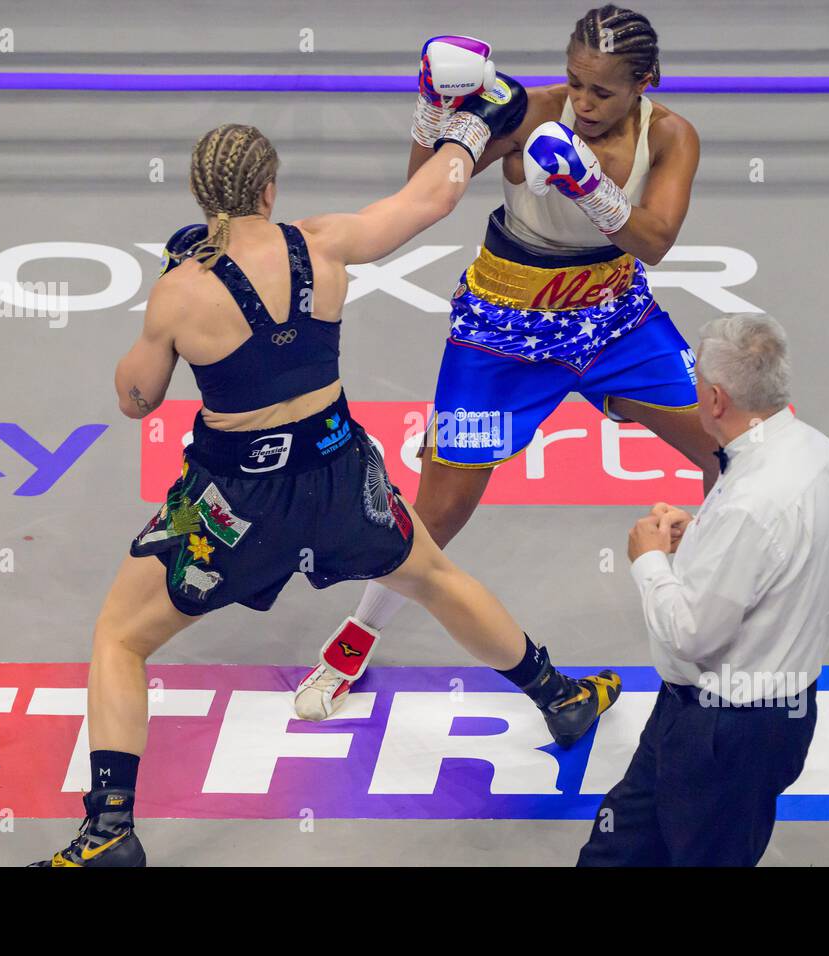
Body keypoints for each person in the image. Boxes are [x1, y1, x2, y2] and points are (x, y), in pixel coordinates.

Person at [31, 78, 622, 867]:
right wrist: (472, 128)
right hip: (343, 477)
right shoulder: (326, 243)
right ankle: (561, 697)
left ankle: (109, 832)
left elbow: (137, 398)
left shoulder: (181, 290)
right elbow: (428, 201)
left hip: (232, 506)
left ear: (202, 195)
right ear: (269, 189)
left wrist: (165, 297)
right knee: (435, 577)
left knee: (119, 639)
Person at [296, 7, 723, 721]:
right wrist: (435, 110)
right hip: (504, 331)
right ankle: (356, 636)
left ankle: (722, 614)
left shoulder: (673, 135)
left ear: (646, 82)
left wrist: (592, 187)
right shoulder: (523, 112)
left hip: (617, 319)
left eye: (604, 92)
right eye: (576, 82)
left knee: (729, 452)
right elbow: (420, 192)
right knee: (437, 513)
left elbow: (654, 241)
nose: (583, 104)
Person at [577, 313, 829, 866]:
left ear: (717, 399)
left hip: (725, 736)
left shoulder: (752, 504)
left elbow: (692, 635)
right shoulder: (822, 455)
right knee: (614, 854)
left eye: (697, 383)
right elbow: (781, 563)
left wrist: (649, 562)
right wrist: (702, 538)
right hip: (711, 717)